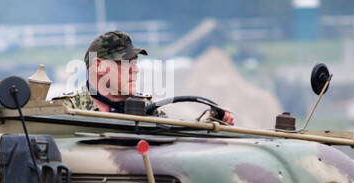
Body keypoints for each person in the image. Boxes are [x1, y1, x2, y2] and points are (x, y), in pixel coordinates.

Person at [59, 31, 235, 124]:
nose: (135, 70)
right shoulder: (62, 110)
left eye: (135, 63)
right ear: (98, 66)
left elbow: (175, 134)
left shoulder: (145, 108)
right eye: (126, 62)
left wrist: (210, 123)